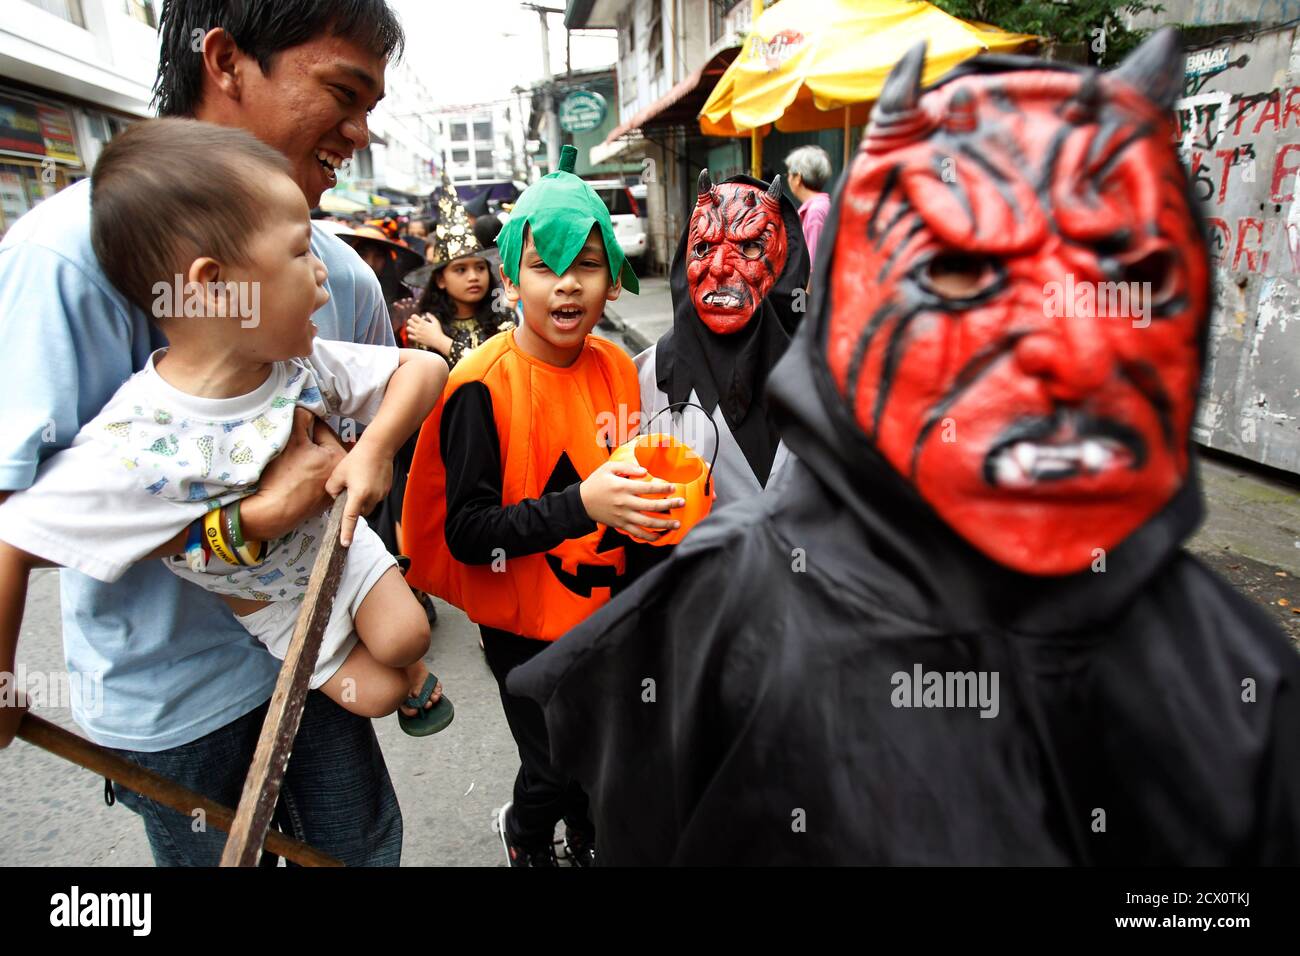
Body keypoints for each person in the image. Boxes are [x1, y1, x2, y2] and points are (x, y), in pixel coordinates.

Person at [508, 31, 1300, 864]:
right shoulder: (712, 596)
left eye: (1116, 277)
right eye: (964, 271)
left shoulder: (1230, 682)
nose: (1051, 337)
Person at [0, 0, 411, 867]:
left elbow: (374, 424)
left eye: (373, 106)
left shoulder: (336, 272)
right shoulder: (63, 259)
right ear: (224, 61)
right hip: (173, 706)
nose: (361, 132)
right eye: (344, 91)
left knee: (361, 853)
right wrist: (242, 522)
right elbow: (21, 517)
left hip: (314, 655)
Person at [0, 119, 453, 740]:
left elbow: (425, 368)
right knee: (377, 693)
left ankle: (408, 664)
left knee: (408, 637)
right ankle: (403, 681)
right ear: (214, 286)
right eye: (300, 252)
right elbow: (11, 539)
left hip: (342, 553)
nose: (323, 272)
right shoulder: (136, 443)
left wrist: (375, 448)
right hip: (277, 609)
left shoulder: (298, 363)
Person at [402, 145, 682, 867]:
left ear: (612, 282)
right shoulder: (481, 386)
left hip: (606, 609)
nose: (566, 286)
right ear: (509, 277)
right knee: (555, 761)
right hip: (522, 621)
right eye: (545, 266)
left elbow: (629, 477)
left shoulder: (617, 366)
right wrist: (581, 505)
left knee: (604, 747)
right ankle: (526, 836)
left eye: (587, 265)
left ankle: (588, 839)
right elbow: (467, 531)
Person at [634, 171, 809, 513]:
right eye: (703, 248)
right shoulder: (647, 376)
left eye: (750, 247)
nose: (718, 268)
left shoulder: (828, 373)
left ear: (787, 264)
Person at [404, 186, 512, 370]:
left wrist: (442, 342)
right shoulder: (427, 325)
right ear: (440, 280)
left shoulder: (504, 320)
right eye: (460, 270)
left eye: (480, 267)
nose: (473, 277)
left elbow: (500, 369)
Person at [784, 145, 831, 271]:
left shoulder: (815, 211)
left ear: (798, 178)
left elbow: (812, 267)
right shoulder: (823, 205)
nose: (788, 179)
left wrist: (803, 292)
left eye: (788, 174)